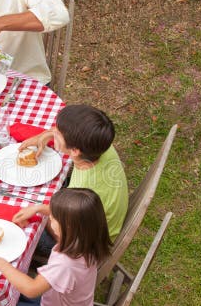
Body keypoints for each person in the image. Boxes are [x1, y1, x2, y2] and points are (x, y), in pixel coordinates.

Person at [0, 188, 111, 306]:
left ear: (68, 226)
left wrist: (2, 264)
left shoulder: (66, 264)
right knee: (8, 290)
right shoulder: (85, 240)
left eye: (54, 217)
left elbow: (31, 289)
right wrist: (38, 209)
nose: (50, 218)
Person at [12, 104, 128, 251]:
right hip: (90, 219)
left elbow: (67, 235)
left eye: (58, 133)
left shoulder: (83, 191)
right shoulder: (99, 144)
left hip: (85, 246)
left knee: (27, 231)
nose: (54, 131)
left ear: (74, 151)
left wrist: (38, 210)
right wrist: (46, 136)